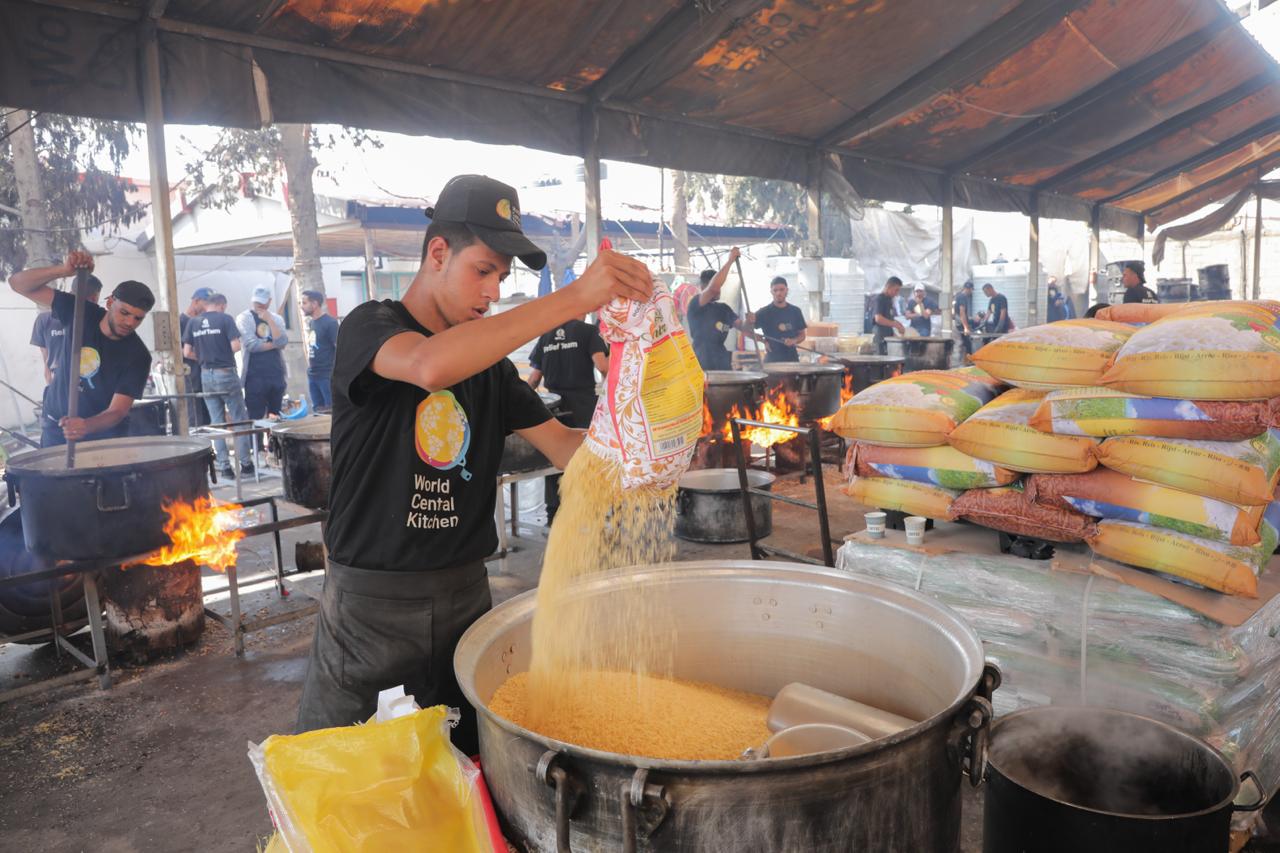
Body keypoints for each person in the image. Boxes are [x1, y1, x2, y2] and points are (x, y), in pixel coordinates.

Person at [295, 174, 652, 751]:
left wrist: (650, 444)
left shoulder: (491, 368)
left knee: (464, 771)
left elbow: (567, 449)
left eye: (502, 278)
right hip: (371, 609)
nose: (491, 292)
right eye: (482, 271)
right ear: (438, 252)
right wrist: (573, 299)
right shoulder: (372, 327)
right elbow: (430, 367)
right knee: (348, 774)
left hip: (466, 599)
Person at [9, 252, 154, 447]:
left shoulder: (138, 355)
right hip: (54, 429)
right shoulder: (79, 311)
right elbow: (17, 284)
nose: (129, 322)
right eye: (124, 312)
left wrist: (85, 425)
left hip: (103, 438)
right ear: (110, 303)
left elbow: (118, 411)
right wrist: (63, 270)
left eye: (138, 318)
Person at [527, 316, 609, 520]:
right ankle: (587, 511)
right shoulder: (588, 331)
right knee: (586, 457)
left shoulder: (546, 335)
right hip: (582, 404)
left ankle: (554, 512)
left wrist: (521, 404)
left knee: (553, 459)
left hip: (552, 407)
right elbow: (602, 366)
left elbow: (534, 378)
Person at [183, 292, 254, 478]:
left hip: (206, 375)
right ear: (221, 305)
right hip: (226, 373)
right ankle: (246, 465)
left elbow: (186, 351)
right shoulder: (225, 319)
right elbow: (236, 346)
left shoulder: (193, 322)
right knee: (239, 420)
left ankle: (224, 467)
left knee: (217, 423)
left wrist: (205, 356)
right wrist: (220, 353)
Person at [685, 247, 751, 370]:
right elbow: (713, 289)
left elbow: (743, 327)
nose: (719, 289)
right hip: (701, 362)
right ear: (703, 286)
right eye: (718, 284)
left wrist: (749, 321)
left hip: (722, 362)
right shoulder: (696, 304)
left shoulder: (724, 309)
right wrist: (730, 261)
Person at [30, 274, 102, 386]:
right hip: (57, 379)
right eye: (96, 298)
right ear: (94, 298)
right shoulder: (44, 320)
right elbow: (45, 352)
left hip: (85, 378)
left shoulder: (94, 321)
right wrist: (48, 373)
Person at [238, 286, 289, 433]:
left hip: (276, 374)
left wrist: (270, 321)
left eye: (262, 302)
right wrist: (275, 344)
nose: (259, 305)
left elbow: (283, 341)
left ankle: (273, 450)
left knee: (276, 416)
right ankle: (257, 448)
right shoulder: (244, 318)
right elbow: (251, 345)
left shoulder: (277, 319)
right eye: (256, 302)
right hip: (254, 376)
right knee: (255, 417)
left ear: (269, 301)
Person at [750, 276, 807, 363]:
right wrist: (762, 340)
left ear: (787, 290)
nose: (778, 293)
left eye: (781, 289)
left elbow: (802, 335)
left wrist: (794, 340)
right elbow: (744, 330)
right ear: (771, 292)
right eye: (775, 290)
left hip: (792, 360)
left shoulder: (795, 311)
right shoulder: (764, 312)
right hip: (771, 361)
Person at [179, 287, 214, 427]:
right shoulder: (180, 322)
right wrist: (202, 356)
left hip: (206, 377)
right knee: (195, 419)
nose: (208, 307)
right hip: (189, 377)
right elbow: (176, 351)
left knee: (208, 419)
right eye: (206, 303)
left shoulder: (204, 322)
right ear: (196, 301)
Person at [301, 289, 338, 412]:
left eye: (304, 303)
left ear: (315, 304)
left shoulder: (330, 323)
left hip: (326, 375)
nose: (302, 306)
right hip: (313, 374)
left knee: (331, 412)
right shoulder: (312, 323)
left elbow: (340, 349)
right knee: (318, 412)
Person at [872, 277, 906, 354]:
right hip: (880, 334)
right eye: (896, 290)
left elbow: (888, 318)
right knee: (881, 360)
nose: (897, 293)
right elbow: (878, 319)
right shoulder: (880, 299)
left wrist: (898, 324)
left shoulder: (889, 300)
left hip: (887, 334)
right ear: (889, 287)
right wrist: (895, 325)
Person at [952, 280, 976, 358]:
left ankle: (964, 360)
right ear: (969, 289)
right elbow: (962, 313)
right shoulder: (963, 297)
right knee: (967, 343)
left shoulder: (958, 296)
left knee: (963, 343)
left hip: (957, 322)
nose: (971, 292)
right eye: (972, 290)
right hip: (960, 325)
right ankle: (969, 361)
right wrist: (966, 328)